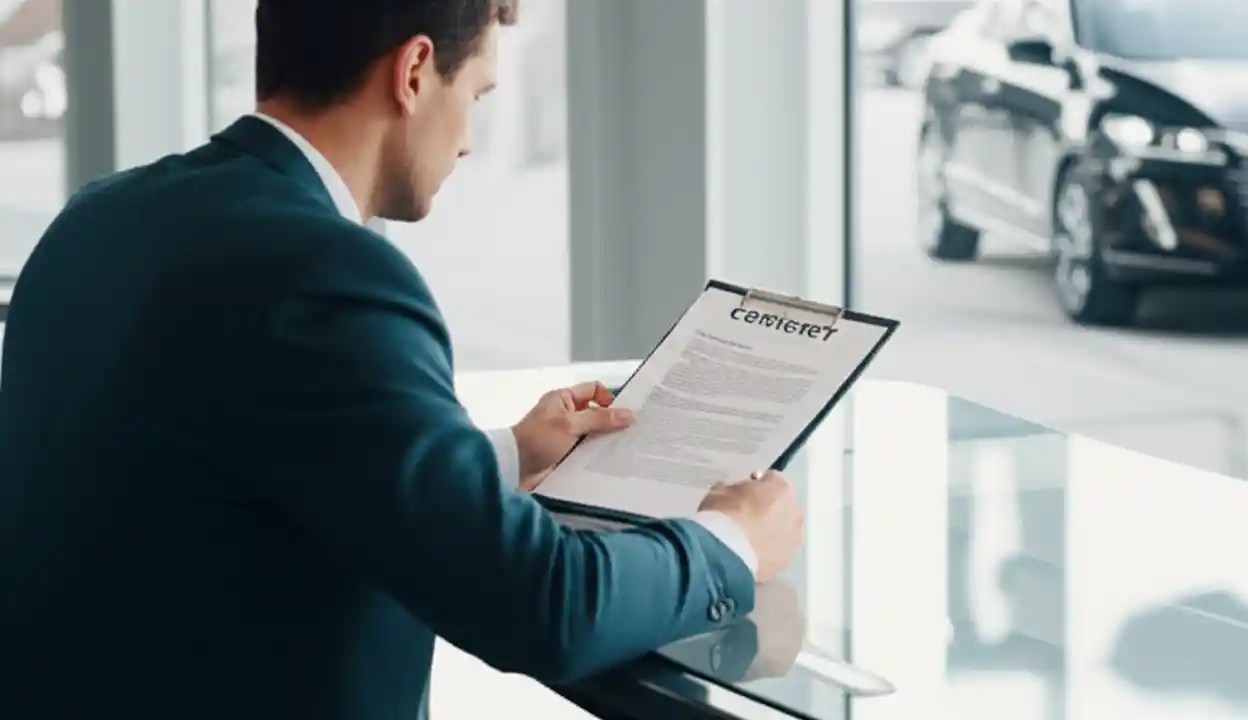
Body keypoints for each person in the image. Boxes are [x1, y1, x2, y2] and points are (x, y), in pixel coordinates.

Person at [0, 1, 804, 718]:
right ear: (415, 71)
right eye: (478, 94)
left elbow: (235, 461)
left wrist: (501, 456)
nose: (469, 138)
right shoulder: (327, 274)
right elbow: (545, 607)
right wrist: (728, 541)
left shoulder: (100, 217)